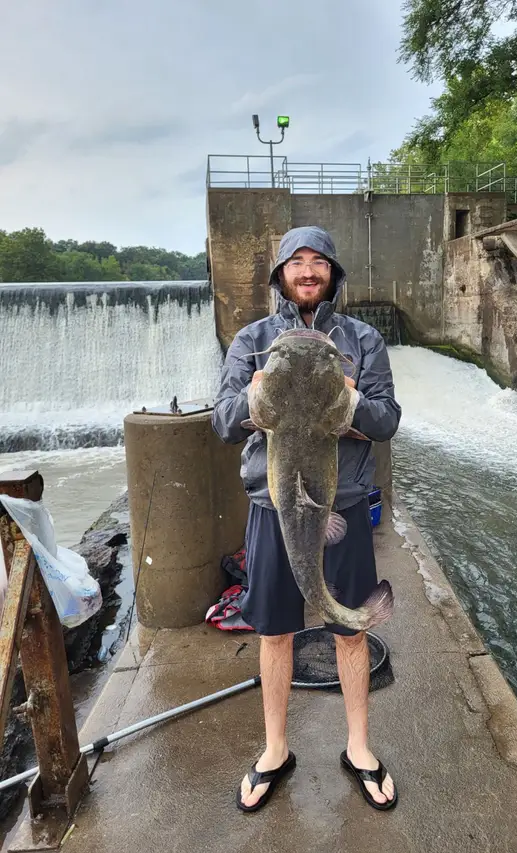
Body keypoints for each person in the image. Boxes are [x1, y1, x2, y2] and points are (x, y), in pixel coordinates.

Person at [211, 225, 401, 813]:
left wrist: (348, 402)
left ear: (333, 274)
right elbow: (222, 421)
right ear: (281, 275)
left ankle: (360, 747)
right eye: (297, 262)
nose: (309, 271)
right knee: (274, 631)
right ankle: (274, 750)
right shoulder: (252, 339)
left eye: (319, 261)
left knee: (350, 633)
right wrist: (255, 399)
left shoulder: (363, 338)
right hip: (272, 508)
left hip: (340, 503)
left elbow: (387, 419)